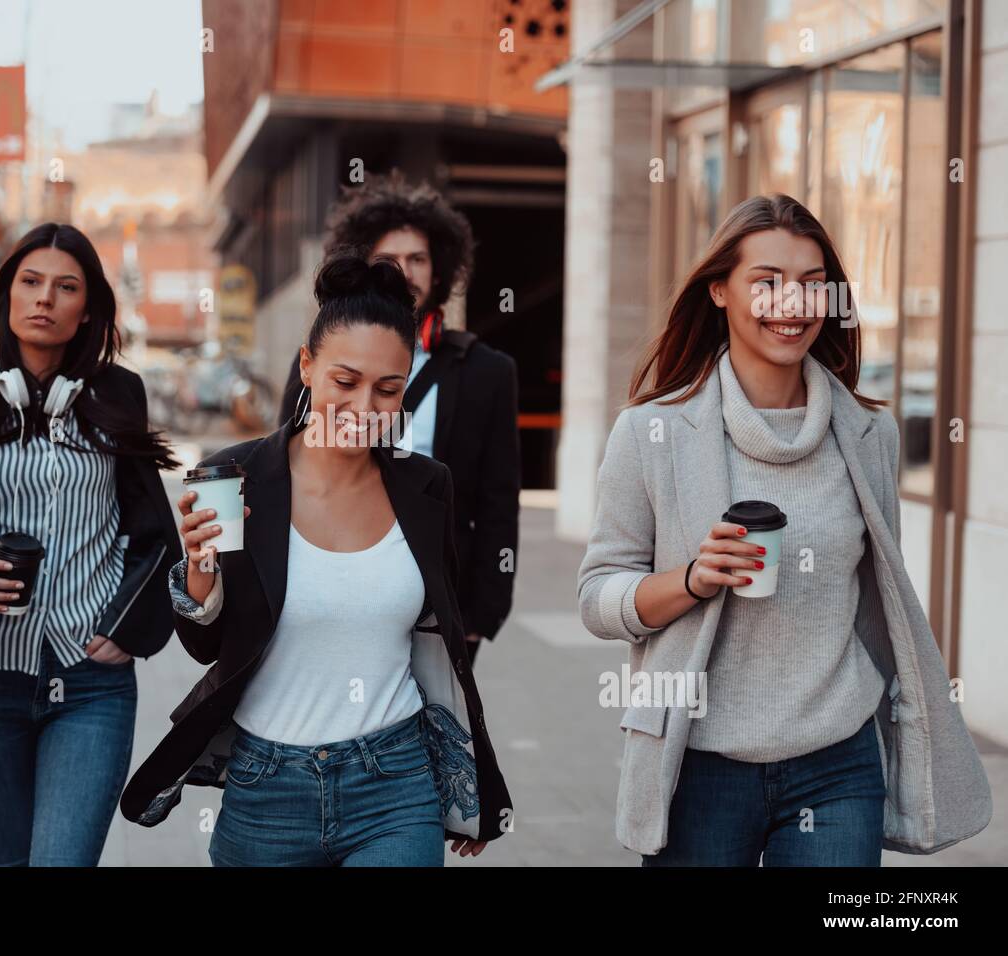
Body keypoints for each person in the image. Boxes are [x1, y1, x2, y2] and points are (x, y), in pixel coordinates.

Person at [578, 193, 992, 865]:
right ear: (720, 291)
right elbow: (598, 601)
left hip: (837, 763)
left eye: (809, 283)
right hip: (700, 766)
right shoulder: (651, 432)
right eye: (766, 283)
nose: (791, 303)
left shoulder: (867, 433)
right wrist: (690, 580)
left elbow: (874, 599)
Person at [120, 255, 513, 866]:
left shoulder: (427, 486)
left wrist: (469, 783)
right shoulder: (238, 476)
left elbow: (438, 648)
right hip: (265, 789)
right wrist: (200, 571)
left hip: (395, 785)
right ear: (307, 367)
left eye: (389, 389)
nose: (364, 408)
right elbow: (207, 647)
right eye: (345, 382)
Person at [0, 222, 182, 866]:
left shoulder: (118, 396)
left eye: (66, 287)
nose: (45, 299)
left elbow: (153, 535)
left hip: (91, 685)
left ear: (86, 307)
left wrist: (128, 628)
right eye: (30, 282)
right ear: (6, 294)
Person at [277, 172, 520, 667]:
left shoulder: (489, 370)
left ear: (440, 269)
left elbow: (499, 500)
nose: (406, 271)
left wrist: (482, 613)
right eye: (391, 260)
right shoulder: (323, 364)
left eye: (419, 259)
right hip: (337, 566)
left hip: (438, 587)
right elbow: (285, 458)